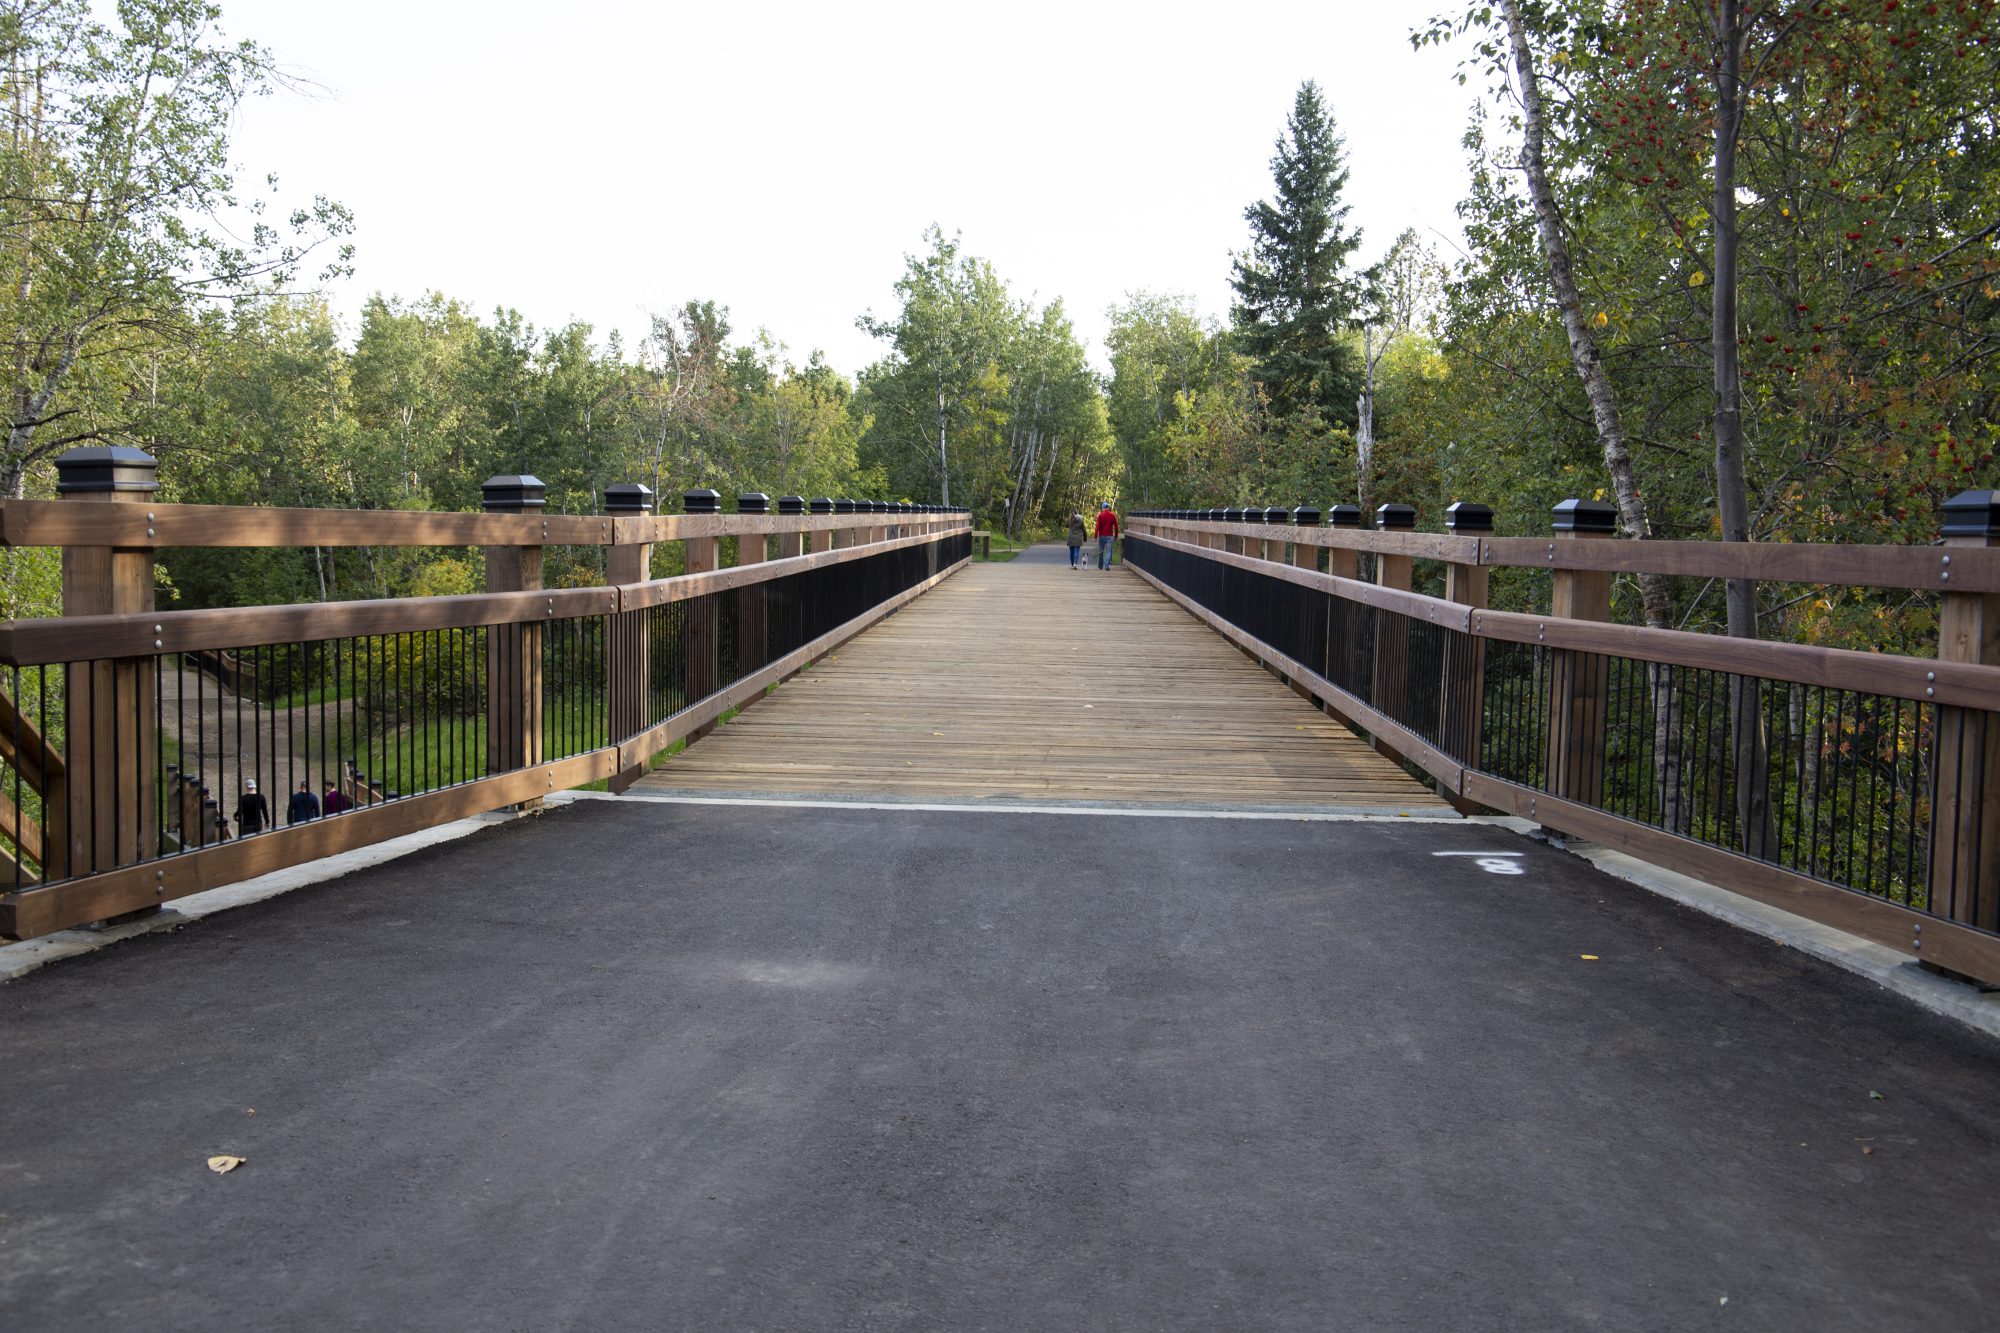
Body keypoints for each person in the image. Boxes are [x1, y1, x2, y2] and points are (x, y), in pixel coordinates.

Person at [1094, 501, 1120, 570]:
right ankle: (1107, 565)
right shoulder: (1112, 515)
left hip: (1102, 536)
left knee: (1101, 550)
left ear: (1103, 508)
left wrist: (1095, 536)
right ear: (1108, 508)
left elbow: (1097, 527)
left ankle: (1100, 565)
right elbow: (1116, 527)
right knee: (1108, 551)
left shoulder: (1100, 515)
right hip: (1109, 536)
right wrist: (1116, 536)